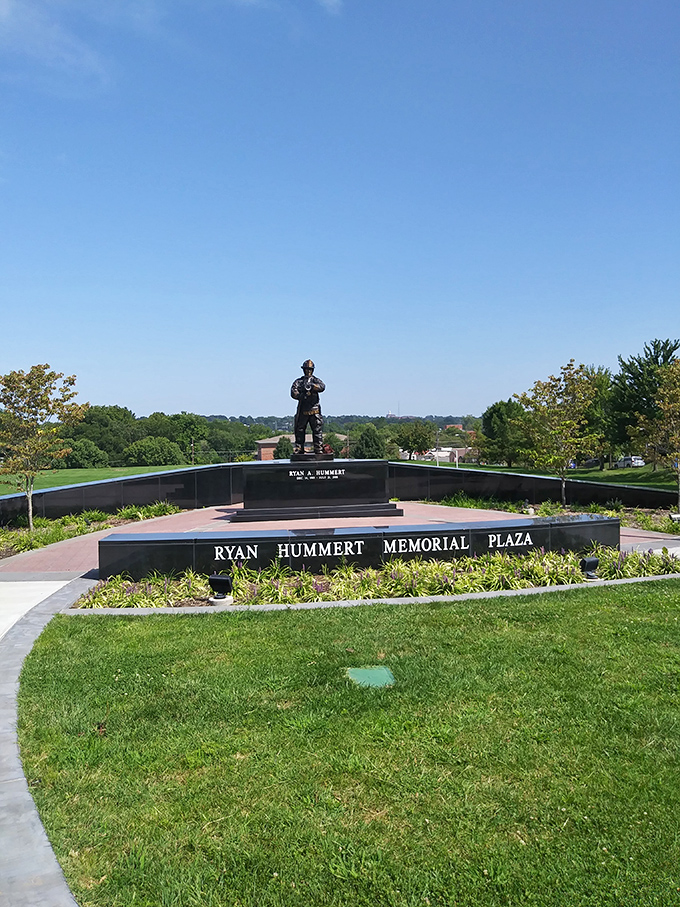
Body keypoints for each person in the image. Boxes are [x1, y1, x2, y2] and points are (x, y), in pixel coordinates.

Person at [291, 359, 325, 454]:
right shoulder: (299, 381)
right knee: (300, 429)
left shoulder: (316, 380)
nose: (308, 371)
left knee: (317, 429)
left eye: (310, 369)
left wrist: (313, 386)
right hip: (303, 409)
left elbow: (322, 387)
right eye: (306, 369)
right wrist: (302, 395)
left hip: (314, 410)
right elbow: (293, 392)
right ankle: (299, 447)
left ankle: (318, 447)